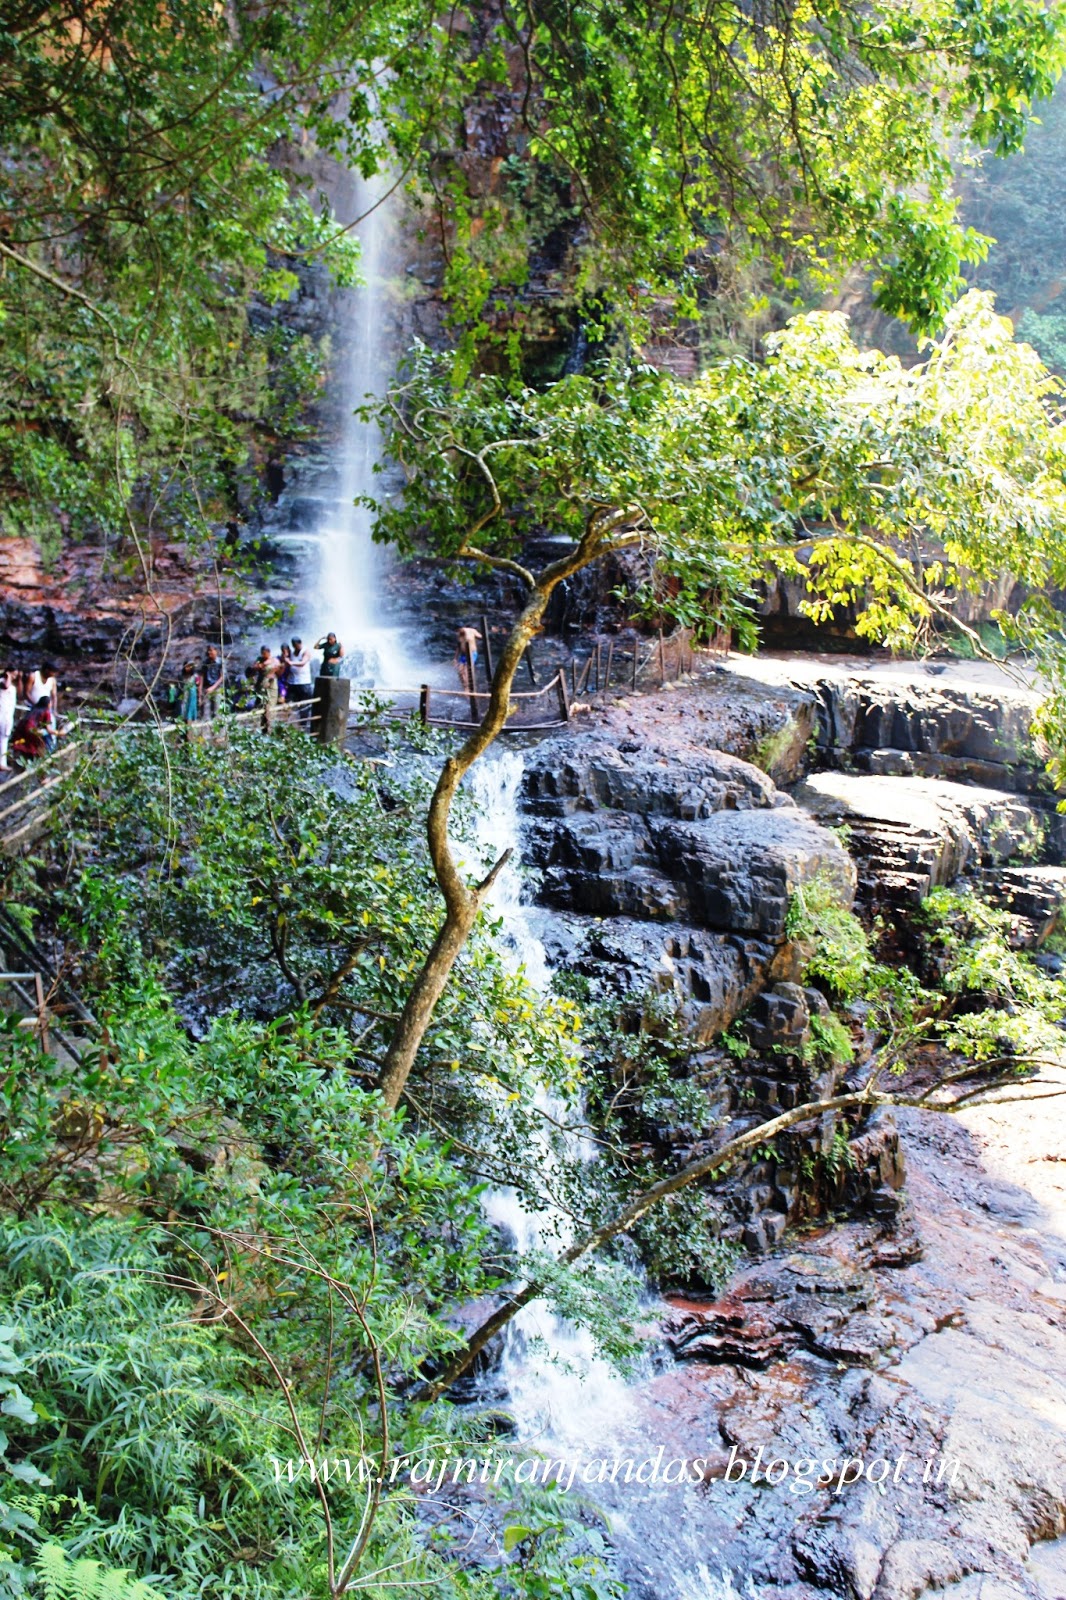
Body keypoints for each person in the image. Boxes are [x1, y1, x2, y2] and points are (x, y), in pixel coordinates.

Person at [250, 645, 279, 732]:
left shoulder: (274, 660)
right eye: (262, 653)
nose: (263, 655)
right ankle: (262, 728)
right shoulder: (259, 659)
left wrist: (271, 675)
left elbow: (278, 671)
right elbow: (253, 668)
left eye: (265, 653)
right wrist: (259, 666)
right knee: (260, 705)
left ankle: (270, 728)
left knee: (270, 706)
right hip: (261, 684)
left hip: (271, 685)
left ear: (269, 652)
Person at [287, 636, 313, 725]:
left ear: (300, 643)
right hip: (292, 682)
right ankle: (291, 723)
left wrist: (291, 663)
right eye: (293, 645)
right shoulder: (292, 652)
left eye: (296, 645)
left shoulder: (306, 651)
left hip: (303, 682)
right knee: (290, 702)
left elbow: (303, 663)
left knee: (304, 704)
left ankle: (303, 724)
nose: (295, 647)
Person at [455, 625, 482, 692]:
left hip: (472, 653)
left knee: (466, 670)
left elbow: (481, 636)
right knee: (460, 671)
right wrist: (455, 658)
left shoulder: (471, 631)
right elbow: (458, 647)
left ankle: (469, 687)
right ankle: (465, 686)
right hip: (463, 655)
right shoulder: (459, 634)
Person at [0, 669, 17, 771]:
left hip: (7, 716)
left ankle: (2, 762)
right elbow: (6, 686)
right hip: (2, 716)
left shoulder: (12, 687)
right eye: (13, 675)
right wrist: (8, 676)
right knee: (3, 740)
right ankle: (1, 763)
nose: (14, 677)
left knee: (4, 740)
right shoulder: (2, 682)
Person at [201, 645, 224, 719]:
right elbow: (202, 676)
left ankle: (218, 723)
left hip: (217, 687)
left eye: (211, 650)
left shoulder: (220, 662)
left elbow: (222, 677)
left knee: (217, 709)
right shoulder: (205, 662)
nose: (209, 652)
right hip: (207, 687)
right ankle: (206, 724)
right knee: (206, 709)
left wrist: (213, 688)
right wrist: (200, 690)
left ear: (216, 651)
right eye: (208, 650)